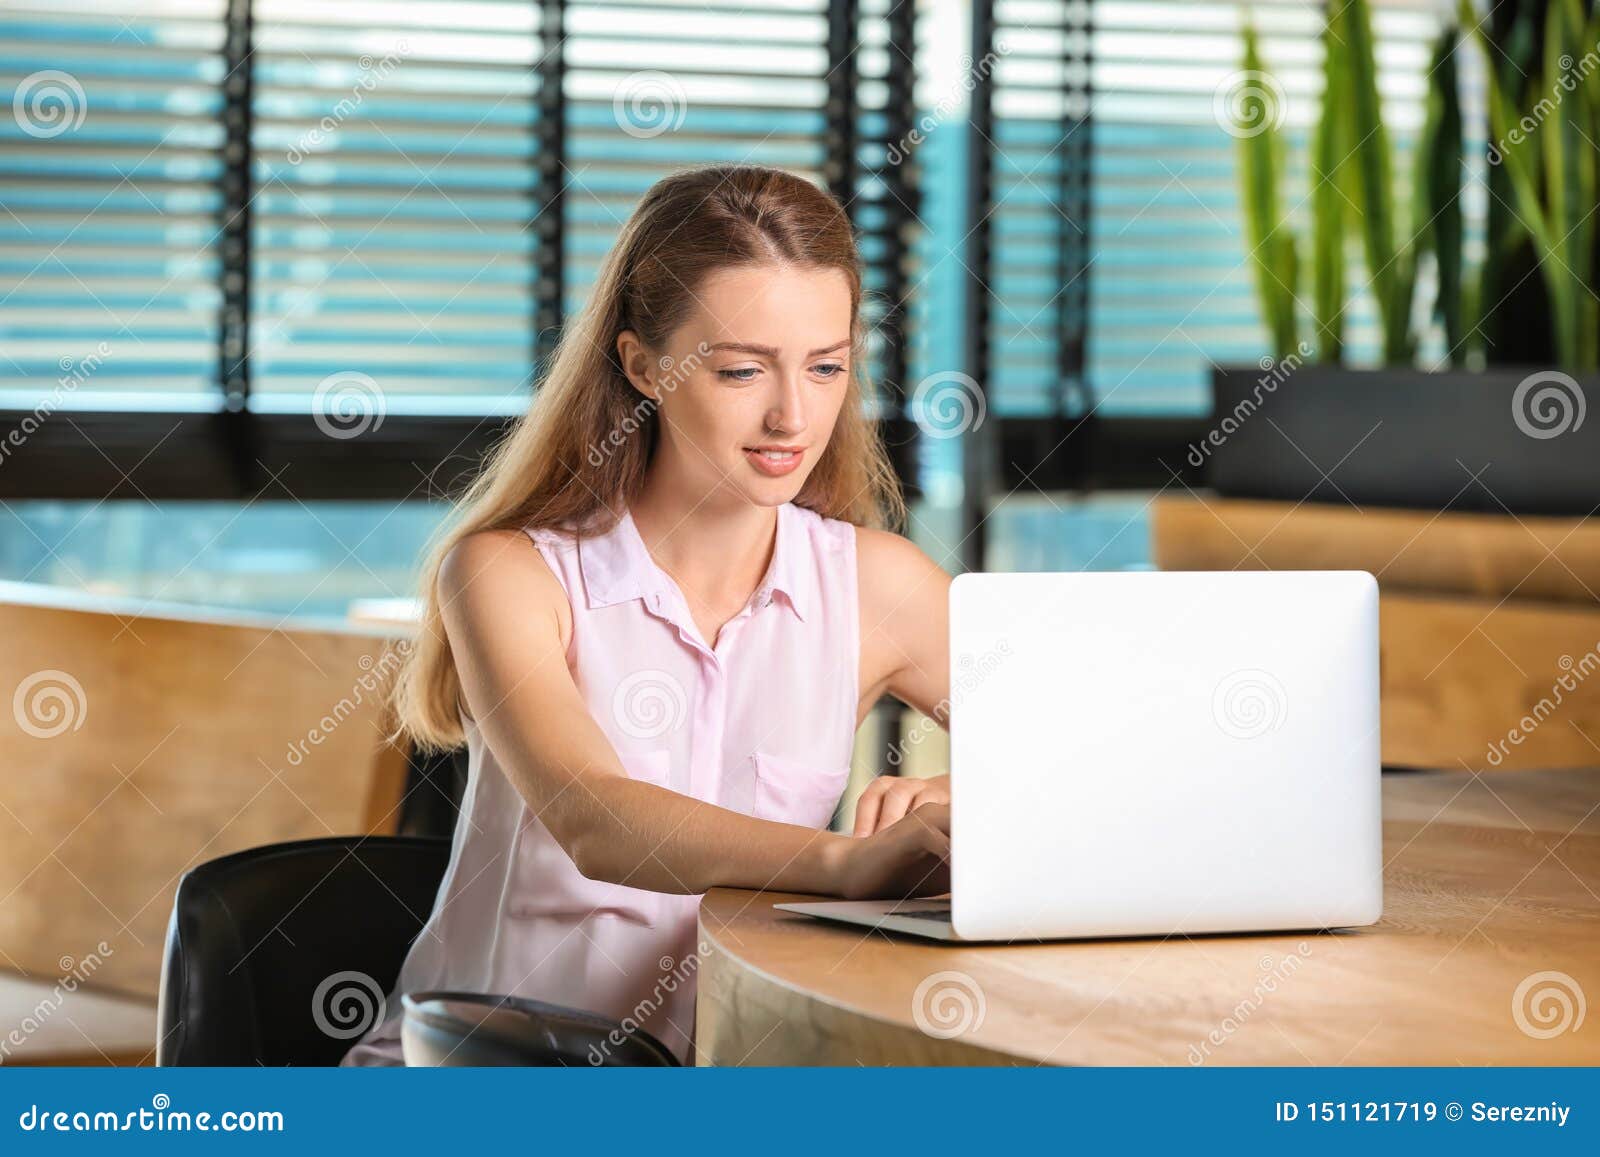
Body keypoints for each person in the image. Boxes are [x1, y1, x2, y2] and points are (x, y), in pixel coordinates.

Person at [341, 164, 952, 1066]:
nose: (792, 415)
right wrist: (847, 862)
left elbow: (1097, 762)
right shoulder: (509, 573)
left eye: (827, 367)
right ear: (642, 366)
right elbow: (595, 819)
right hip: (485, 1075)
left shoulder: (876, 584)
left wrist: (961, 805)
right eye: (742, 369)